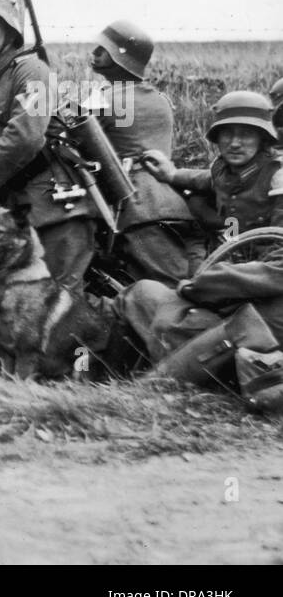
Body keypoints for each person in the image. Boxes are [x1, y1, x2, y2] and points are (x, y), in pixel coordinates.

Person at [116, 90, 283, 404]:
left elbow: (279, 268)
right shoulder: (226, 170)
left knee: (225, 327)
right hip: (230, 296)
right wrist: (172, 175)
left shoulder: (277, 179)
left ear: (263, 139)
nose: (235, 142)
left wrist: (207, 285)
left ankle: (150, 389)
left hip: (268, 304)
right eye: (227, 134)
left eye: (246, 134)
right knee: (141, 294)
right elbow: (208, 180)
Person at [0, 0, 98, 292]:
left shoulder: (31, 70)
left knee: (61, 301)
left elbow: (26, 135)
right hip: (23, 208)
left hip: (56, 209)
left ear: (10, 34)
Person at [83, 20, 198, 285]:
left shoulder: (104, 100)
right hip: (173, 199)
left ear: (119, 58)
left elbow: (70, 137)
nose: (94, 54)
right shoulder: (160, 99)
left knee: (169, 290)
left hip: (136, 207)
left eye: (102, 50)